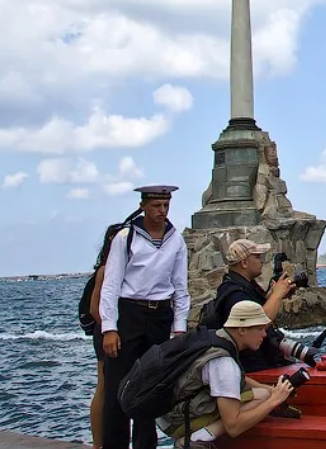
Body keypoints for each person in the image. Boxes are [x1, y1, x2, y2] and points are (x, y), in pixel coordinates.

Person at [100, 185, 191, 449]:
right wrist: (109, 327)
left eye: (165, 205)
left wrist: (179, 327)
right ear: (143, 206)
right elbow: (111, 284)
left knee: (150, 389)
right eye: (156, 206)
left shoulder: (176, 240)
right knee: (118, 389)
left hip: (160, 314)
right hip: (130, 313)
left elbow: (181, 286)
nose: (162, 211)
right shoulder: (125, 237)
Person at [155, 302, 297, 449]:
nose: (264, 334)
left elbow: (238, 379)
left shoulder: (216, 339)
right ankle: (193, 440)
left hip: (167, 413)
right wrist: (274, 400)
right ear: (242, 330)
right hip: (177, 422)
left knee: (264, 393)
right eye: (260, 328)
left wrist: (270, 389)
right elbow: (233, 427)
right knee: (263, 398)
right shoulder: (225, 363)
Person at [202, 239, 319, 377]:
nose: (262, 261)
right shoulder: (233, 294)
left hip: (260, 362)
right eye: (257, 257)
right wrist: (277, 294)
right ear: (244, 263)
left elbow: (256, 312)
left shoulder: (243, 286)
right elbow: (258, 323)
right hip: (253, 368)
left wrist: (274, 296)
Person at [88, 223, 125, 449]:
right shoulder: (105, 270)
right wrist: (112, 330)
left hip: (115, 332)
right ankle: (98, 443)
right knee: (104, 386)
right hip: (106, 332)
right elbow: (95, 309)